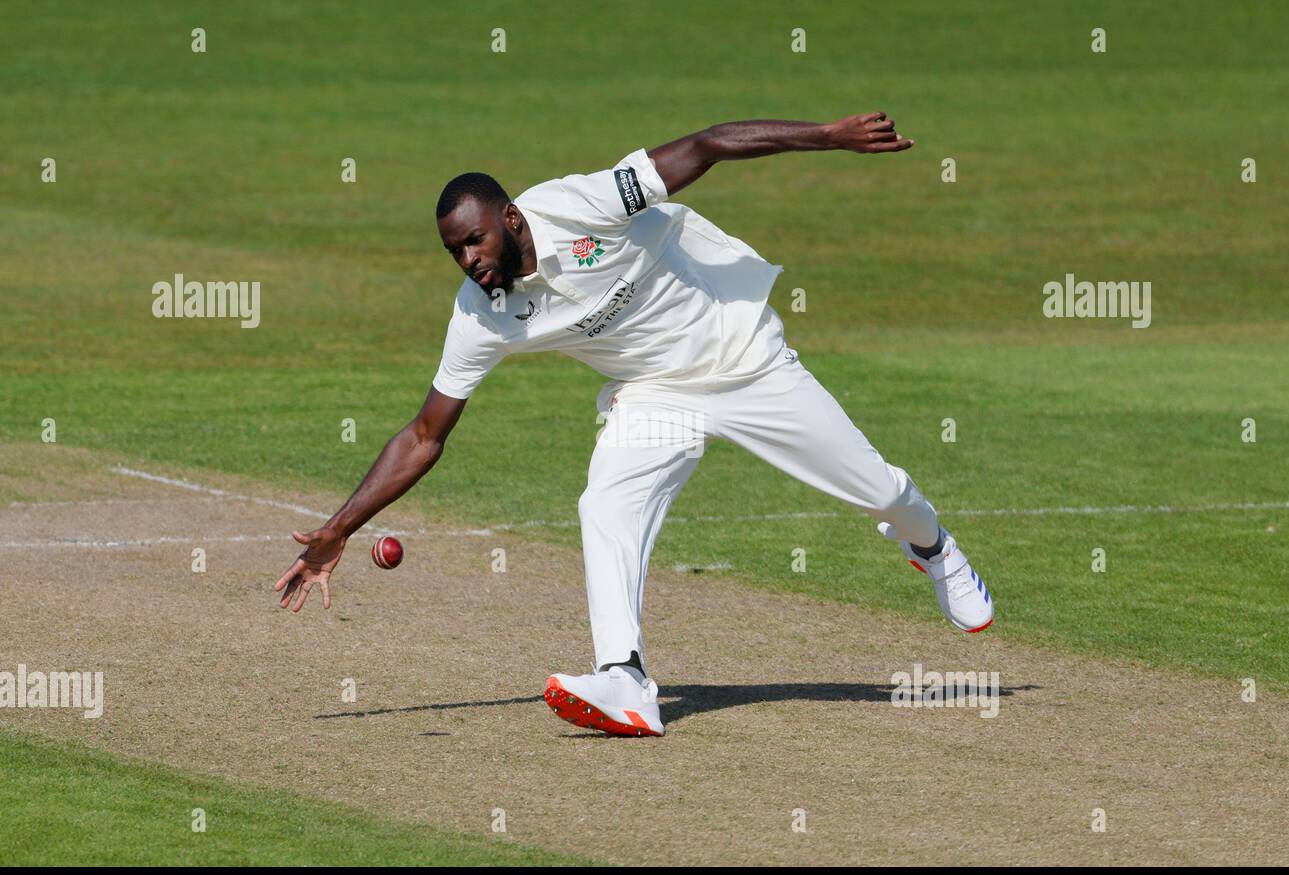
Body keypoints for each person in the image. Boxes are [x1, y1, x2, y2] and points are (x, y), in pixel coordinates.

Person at [274, 113, 993, 738]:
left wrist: (829, 137)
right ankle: (624, 678)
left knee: (878, 488)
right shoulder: (481, 314)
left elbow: (708, 145)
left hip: (743, 355)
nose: (469, 261)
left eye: (475, 241)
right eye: (455, 252)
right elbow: (424, 436)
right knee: (605, 503)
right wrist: (340, 528)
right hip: (655, 396)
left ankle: (932, 546)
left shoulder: (580, 204)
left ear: (511, 220)